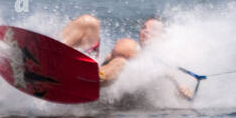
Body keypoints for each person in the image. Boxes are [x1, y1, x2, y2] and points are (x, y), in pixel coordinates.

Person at [57, 15, 191, 99]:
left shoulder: (165, 60)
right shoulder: (129, 46)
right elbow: (124, 49)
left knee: (121, 62)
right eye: (144, 27)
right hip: (85, 73)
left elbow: (171, 73)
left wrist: (182, 87)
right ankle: (54, 55)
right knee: (89, 22)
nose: (145, 30)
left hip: (96, 91)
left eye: (153, 29)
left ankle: (83, 81)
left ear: (163, 37)